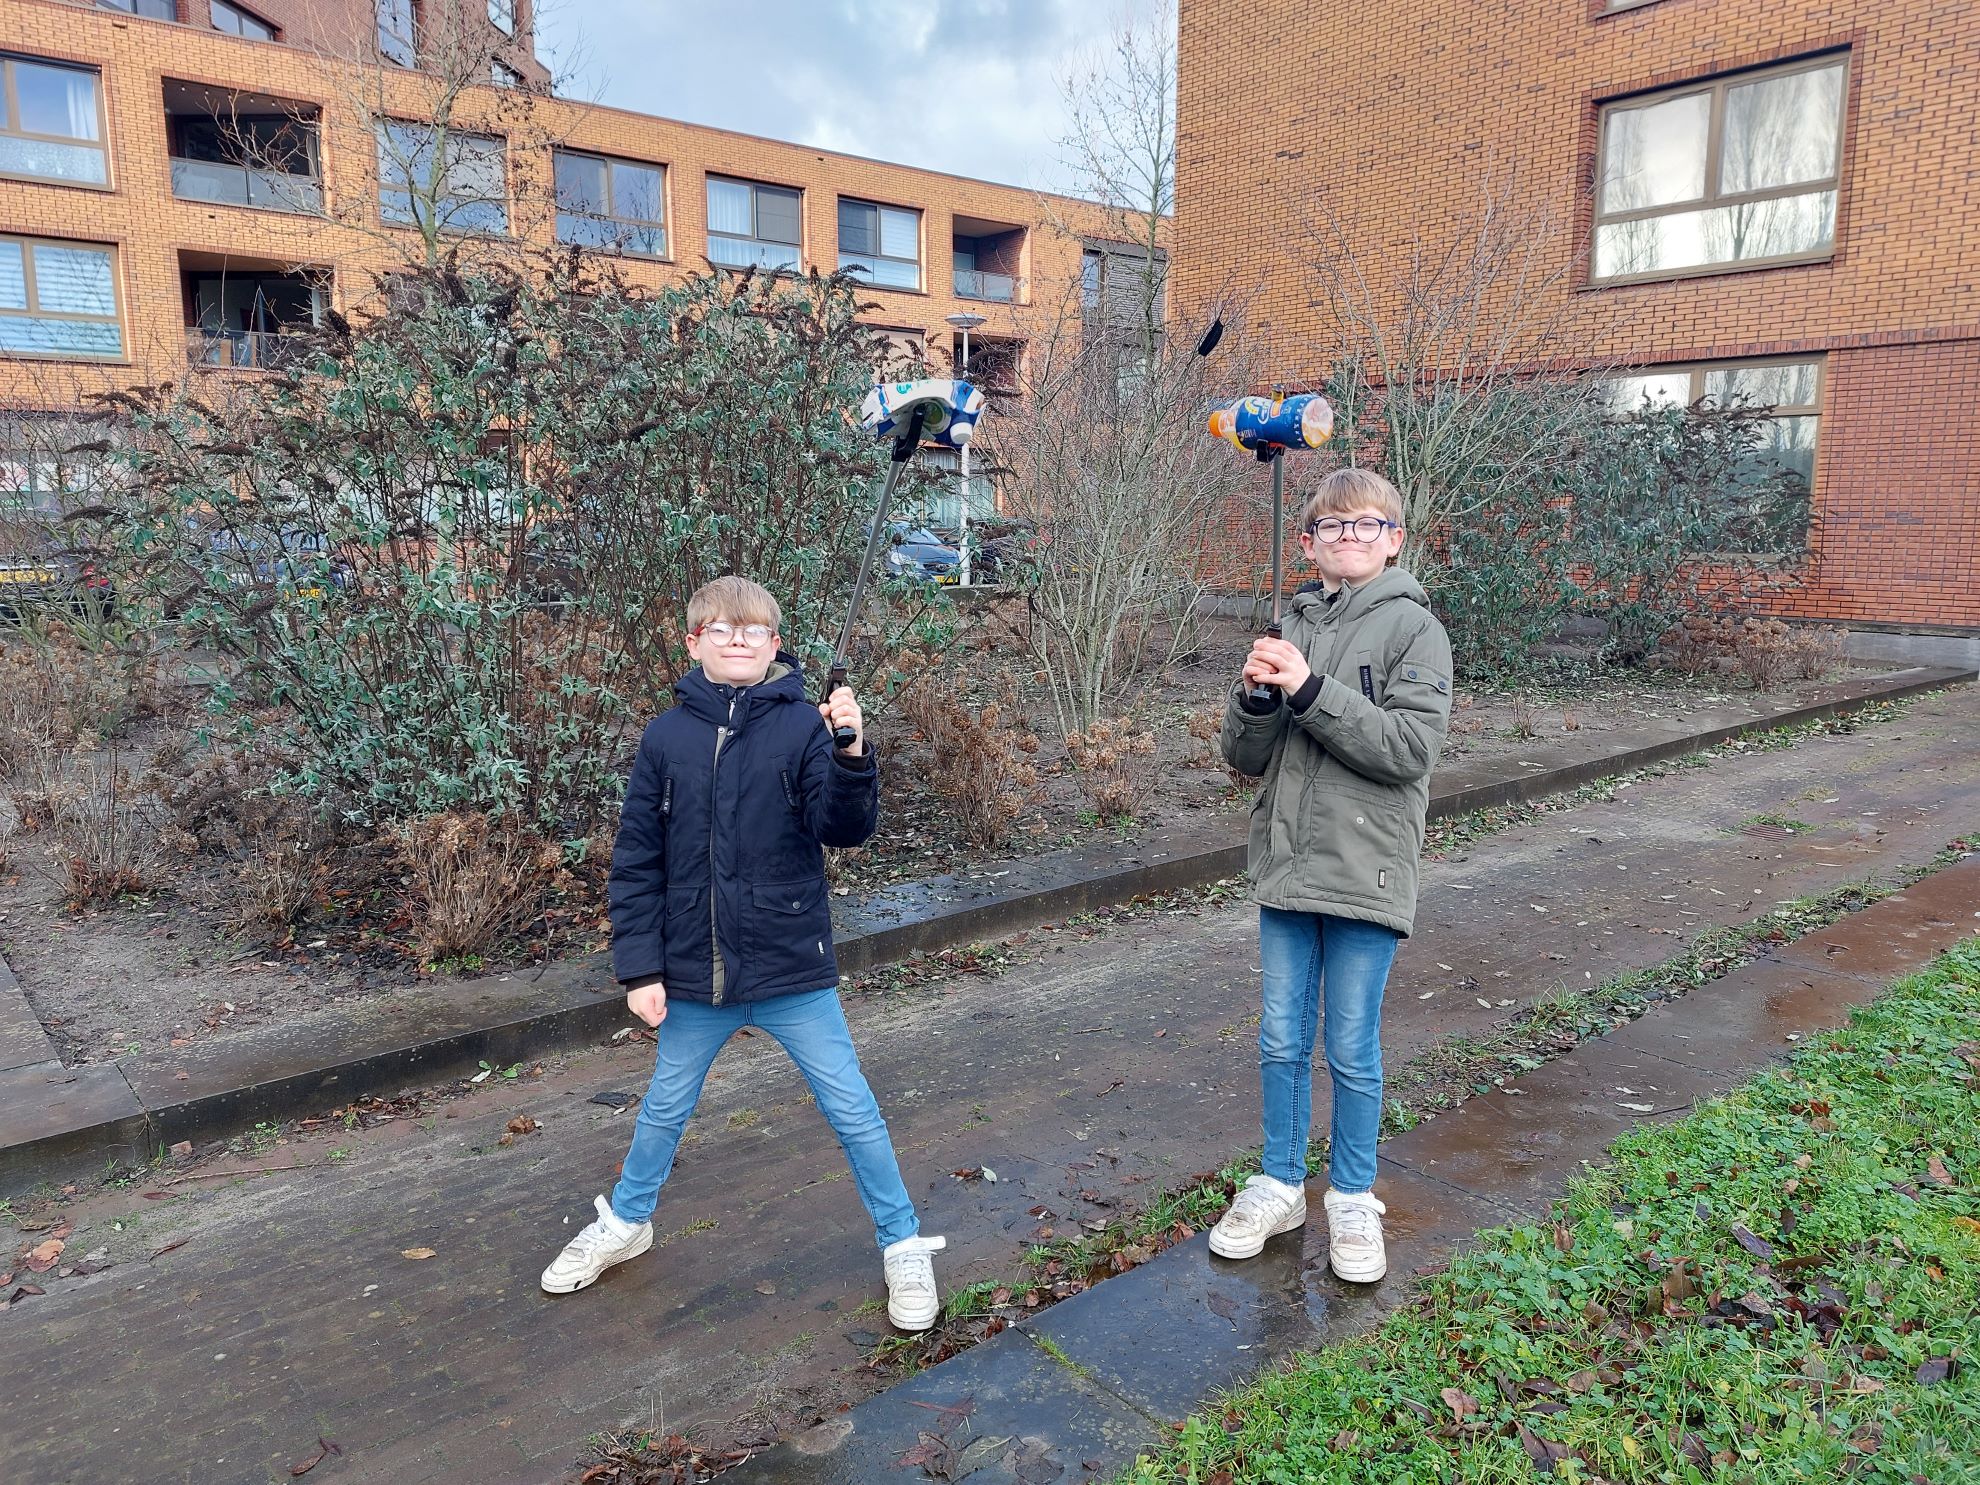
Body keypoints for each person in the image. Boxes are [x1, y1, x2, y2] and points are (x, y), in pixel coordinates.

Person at [540, 575, 945, 1329]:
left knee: (853, 1109)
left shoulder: (803, 727)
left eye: (753, 630)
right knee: (663, 1107)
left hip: (791, 965)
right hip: (695, 973)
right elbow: (636, 860)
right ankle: (627, 1221)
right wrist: (641, 967)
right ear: (693, 642)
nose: (737, 640)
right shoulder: (666, 737)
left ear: (774, 645)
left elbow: (842, 827)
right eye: (720, 629)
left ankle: (903, 1243)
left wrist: (851, 752)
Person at [1211, 468, 1454, 1282]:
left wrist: (1309, 688)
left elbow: (1407, 750)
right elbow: (1246, 761)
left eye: (1367, 523)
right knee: (1281, 1039)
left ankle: (1351, 1196)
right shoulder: (1291, 622)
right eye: (1331, 525)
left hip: (1367, 874)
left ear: (1395, 538)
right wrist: (1254, 701)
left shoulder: (1415, 633)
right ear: (1307, 543)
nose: (1348, 535)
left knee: (1350, 1044)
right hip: (1288, 868)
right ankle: (1280, 1183)